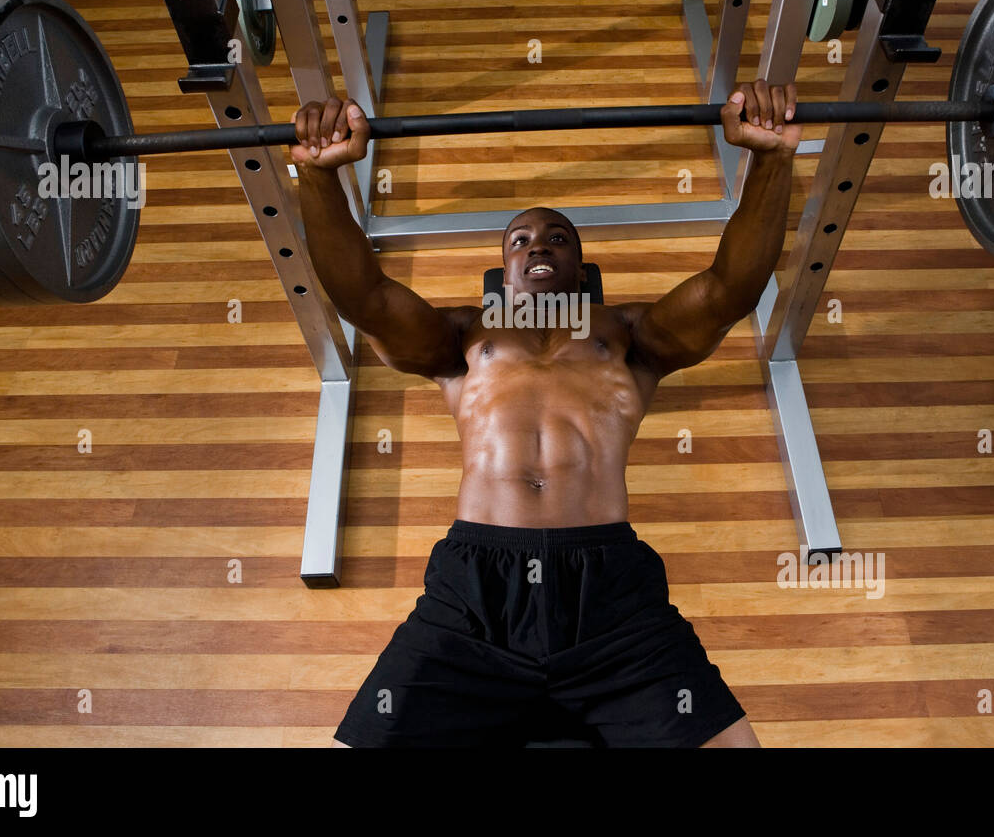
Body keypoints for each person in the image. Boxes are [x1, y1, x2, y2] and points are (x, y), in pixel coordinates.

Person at [292, 80, 800, 747]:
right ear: (504, 270)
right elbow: (367, 298)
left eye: (557, 238)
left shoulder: (629, 336)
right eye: (522, 239)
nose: (538, 246)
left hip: (611, 596)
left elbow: (728, 288)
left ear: (582, 267)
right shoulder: (461, 340)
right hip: (474, 593)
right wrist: (320, 175)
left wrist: (772, 158)